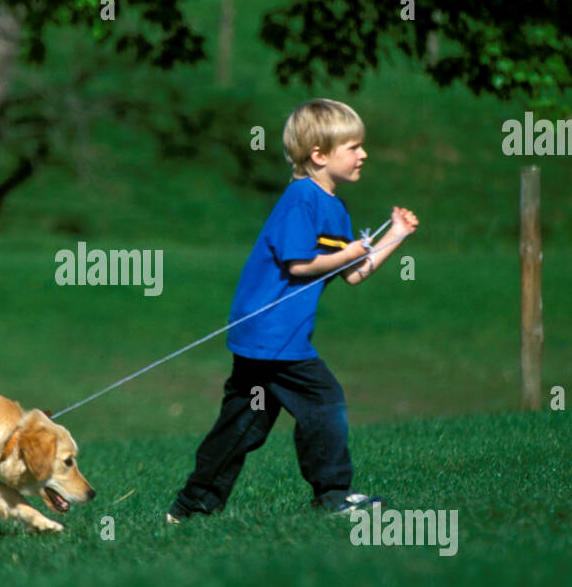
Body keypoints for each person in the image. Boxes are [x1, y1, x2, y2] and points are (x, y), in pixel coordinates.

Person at [167, 98, 419, 521]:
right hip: (273, 336)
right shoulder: (302, 197)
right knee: (323, 400)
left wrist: (396, 234)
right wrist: (352, 252)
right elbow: (299, 264)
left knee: (245, 422)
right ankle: (333, 494)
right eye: (354, 147)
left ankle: (192, 507)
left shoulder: (332, 205)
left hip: (271, 339)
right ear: (319, 155)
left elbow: (353, 274)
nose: (364, 155)